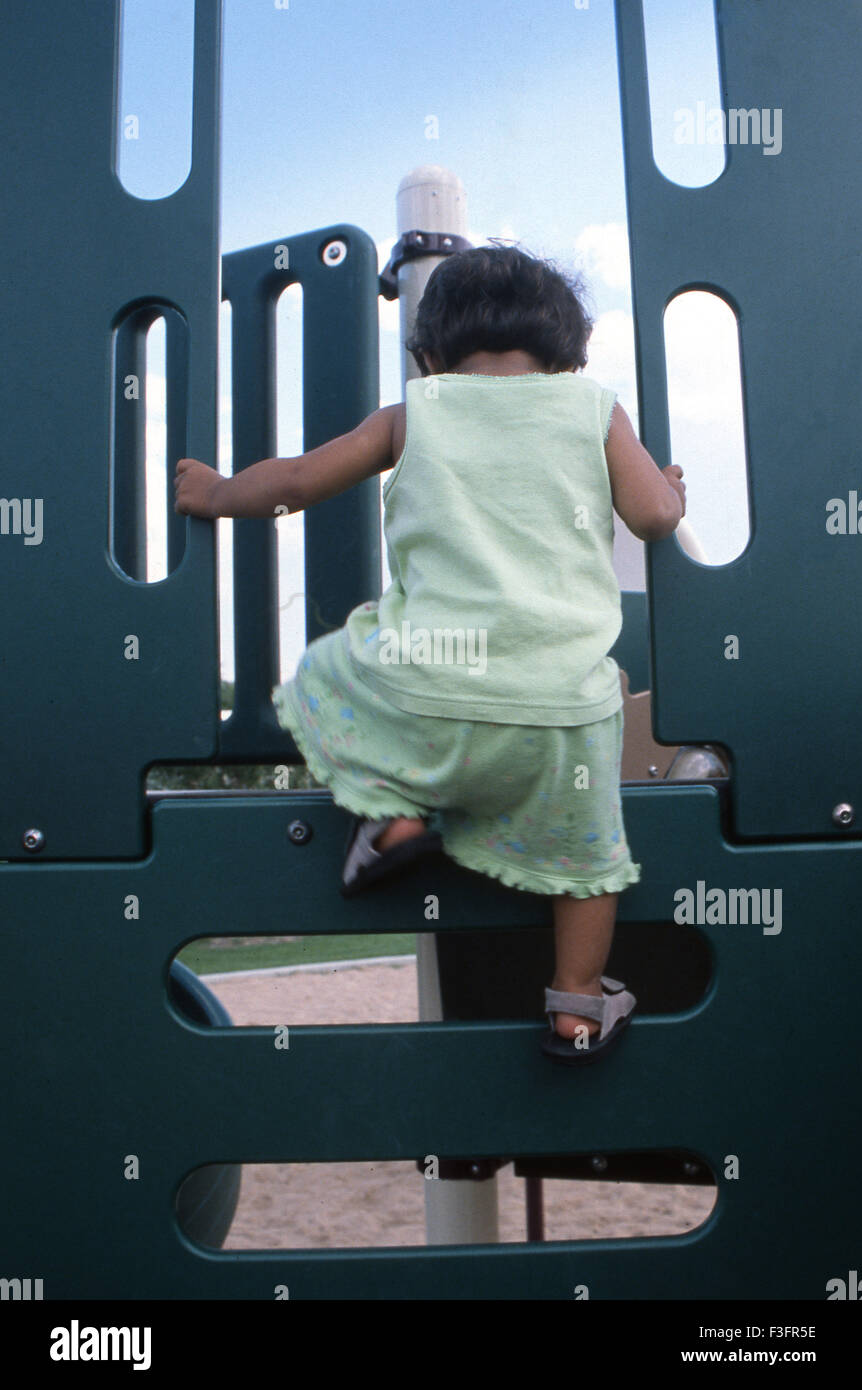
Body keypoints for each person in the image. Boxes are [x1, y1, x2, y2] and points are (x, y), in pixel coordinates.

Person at [174, 243, 685, 1065]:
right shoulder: (594, 410)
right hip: (566, 711)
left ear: (429, 354)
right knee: (589, 858)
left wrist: (217, 492)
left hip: (431, 687)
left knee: (328, 673)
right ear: (568, 352)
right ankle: (578, 1005)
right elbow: (654, 516)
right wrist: (674, 490)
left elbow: (298, 482)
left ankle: (395, 817)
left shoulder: (414, 413)